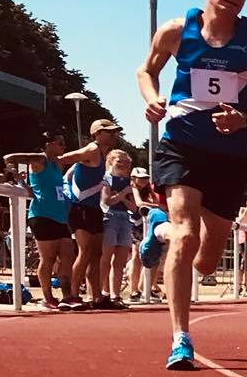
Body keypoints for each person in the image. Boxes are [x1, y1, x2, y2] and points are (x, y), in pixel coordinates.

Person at [136, 0, 247, 368]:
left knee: (205, 259)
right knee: (187, 236)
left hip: (232, 156)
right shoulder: (174, 32)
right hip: (182, 146)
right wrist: (151, 98)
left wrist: (246, 117)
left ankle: (158, 228)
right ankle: (181, 339)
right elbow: (145, 70)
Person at [56, 119, 127, 307]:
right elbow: (63, 159)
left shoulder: (104, 154)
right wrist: (56, 184)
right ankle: (70, 296)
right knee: (85, 251)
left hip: (94, 208)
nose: (113, 135)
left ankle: (97, 296)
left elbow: (71, 168)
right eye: (108, 132)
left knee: (96, 253)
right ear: (96, 134)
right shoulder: (92, 149)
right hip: (81, 209)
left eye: (115, 132)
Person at [5, 132, 74, 309]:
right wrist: (12, 172)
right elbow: (9, 157)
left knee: (67, 257)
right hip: (42, 215)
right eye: (60, 143)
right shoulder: (39, 159)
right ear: (48, 144)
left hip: (60, 216)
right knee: (48, 258)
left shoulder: (57, 164)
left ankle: (68, 296)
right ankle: (48, 297)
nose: (63, 147)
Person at [98, 149, 137, 306]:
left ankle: (116, 295)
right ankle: (101, 292)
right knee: (105, 257)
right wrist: (122, 195)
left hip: (125, 219)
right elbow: (108, 200)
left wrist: (122, 196)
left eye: (126, 162)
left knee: (120, 260)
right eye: (119, 161)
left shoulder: (129, 182)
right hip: (109, 217)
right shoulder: (106, 179)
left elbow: (134, 207)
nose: (123, 165)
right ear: (111, 161)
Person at [130, 168, 166, 303]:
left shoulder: (149, 190)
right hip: (137, 224)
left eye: (145, 177)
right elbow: (139, 203)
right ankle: (134, 290)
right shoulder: (132, 188)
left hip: (148, 224)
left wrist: (154, 205)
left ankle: (146, 286)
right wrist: (155, 206)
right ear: (133, 178)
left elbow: (157, 203)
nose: (144, 180)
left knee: (153, 254)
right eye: (140, 178)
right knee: (136, 256)